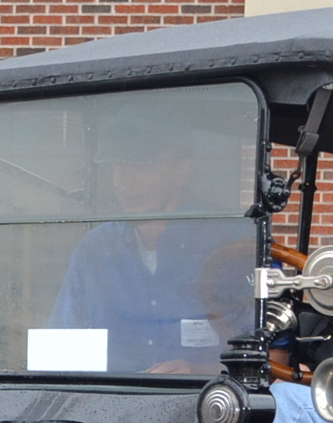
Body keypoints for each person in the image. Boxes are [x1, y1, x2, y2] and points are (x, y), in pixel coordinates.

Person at [49, 128, 250, 374]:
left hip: (209, 405)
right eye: (118, 166)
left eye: (140, 165)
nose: (124, 181)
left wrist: (197, 372)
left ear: (183, 170)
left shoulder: (234, 245)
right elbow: (59, 354)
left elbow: (273, 361)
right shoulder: (94, 249)